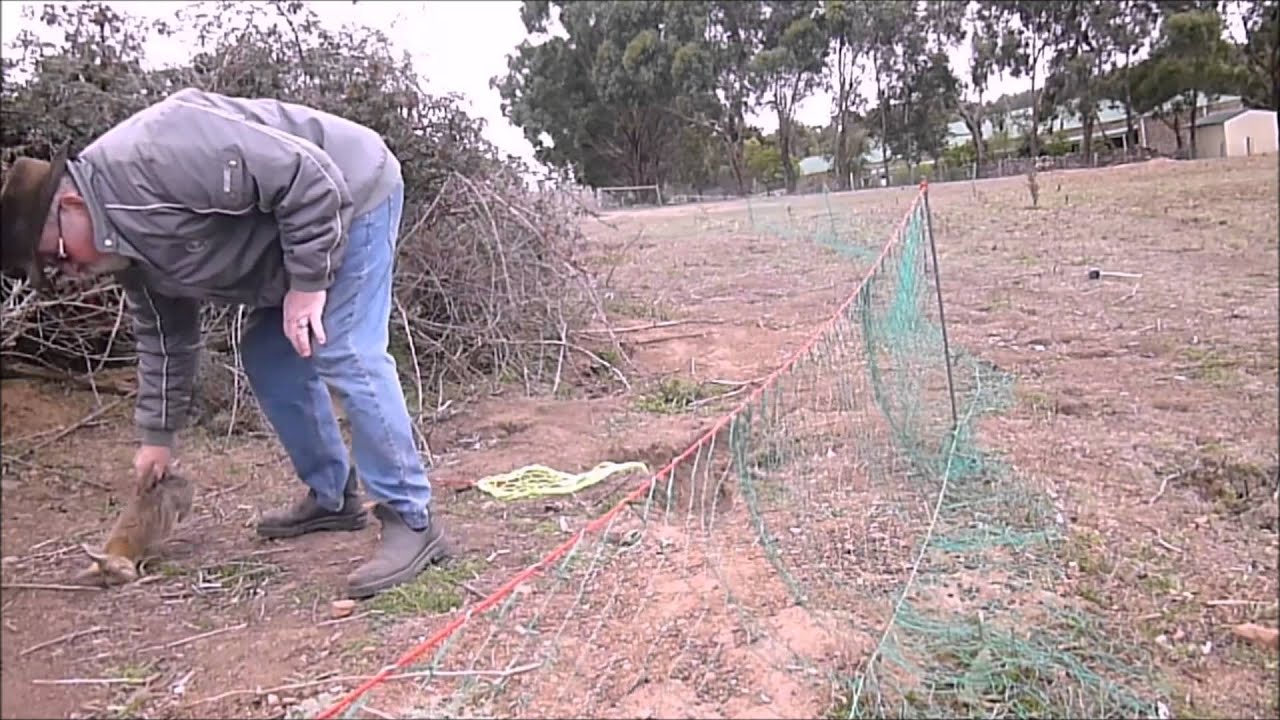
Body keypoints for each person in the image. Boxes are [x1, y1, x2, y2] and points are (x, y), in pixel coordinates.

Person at [0, 87, 449, 599]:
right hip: (288, 246)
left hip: (352, 192)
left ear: (72, 205)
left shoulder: (159, 150)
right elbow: (166, 340)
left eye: (56, 257)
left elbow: (310, 177)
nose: (68, 272)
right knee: (268, 356)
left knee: (345, 346)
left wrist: (308, 285)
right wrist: (157, 437)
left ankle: (413, 518)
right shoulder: (124, 250)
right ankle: (333, 497)